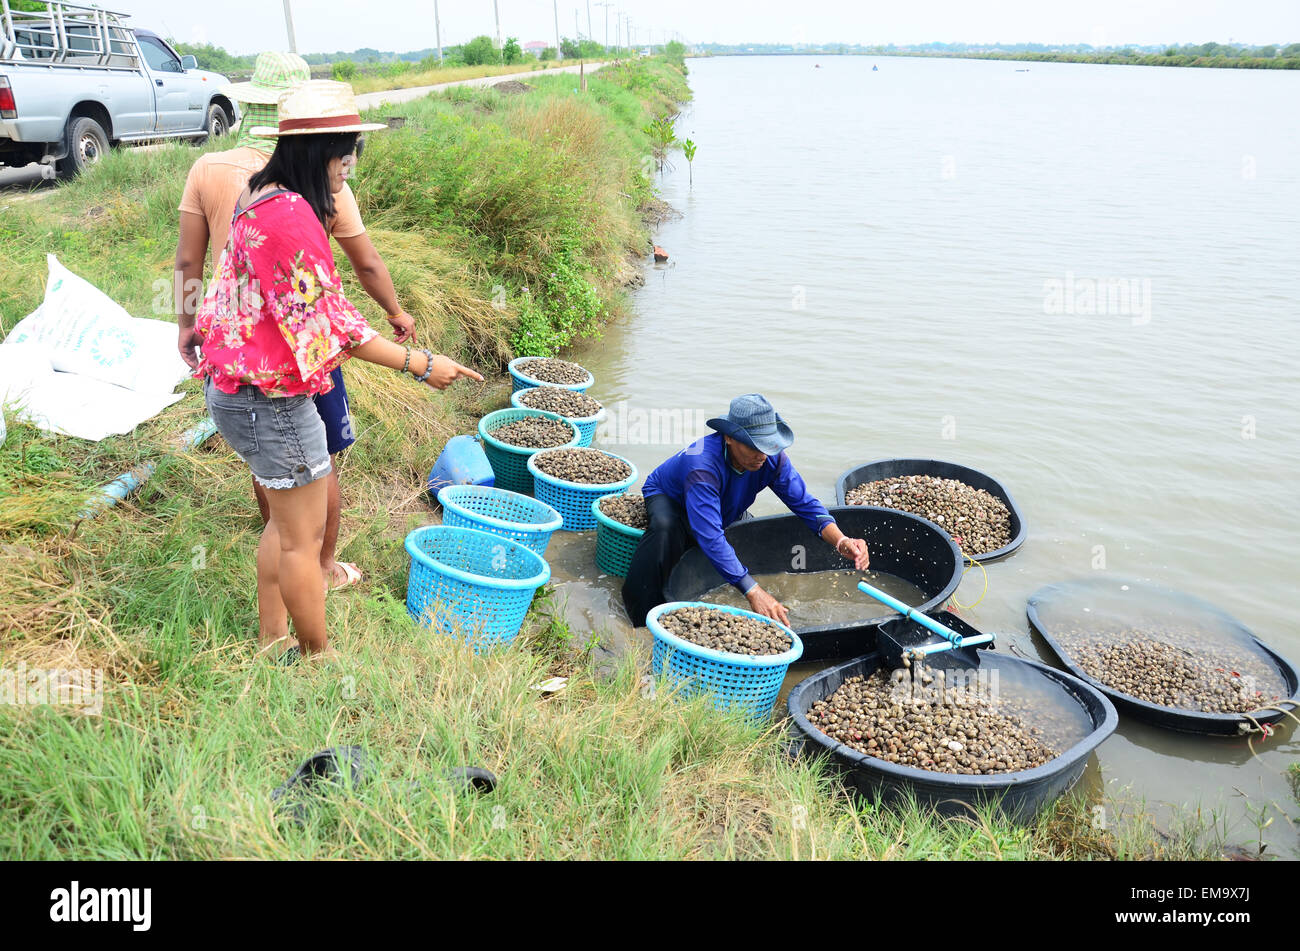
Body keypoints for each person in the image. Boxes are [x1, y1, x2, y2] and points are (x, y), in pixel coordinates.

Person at [194, 80, 482, 659]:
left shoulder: (261, 194)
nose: (350, 167)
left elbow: (314, 307)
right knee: (301, 541)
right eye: (346, 154)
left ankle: (273, 638)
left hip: (238, 387)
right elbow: (330, 328)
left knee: (281, 524)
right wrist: (422, 364)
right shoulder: (290, 217)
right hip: (269, 400)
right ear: (321, 153)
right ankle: (316, 658)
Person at [175, 51, 414, 593]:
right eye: (348, 150)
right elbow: (359, 269)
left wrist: (187, 323)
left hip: (236, 343)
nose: (349, 161)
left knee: (273, 471)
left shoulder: (212, 170)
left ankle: (287, 553)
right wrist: (402, 330)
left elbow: (190, 263)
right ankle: (314, 565)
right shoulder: (313, 188)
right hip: (288, 358)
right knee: (316, 459)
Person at [622, 394, 870, 627]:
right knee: (668, 529)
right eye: (754, 446)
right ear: (729, 437)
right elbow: (709, 535)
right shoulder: (701, 466)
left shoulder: (772, 458)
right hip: (670, 496)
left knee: (738, 534)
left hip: (723, 500)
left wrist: (841, 540)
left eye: (768, 445)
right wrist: (754, 592)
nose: (762, 454)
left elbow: (805, 504)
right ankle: (640, 615)